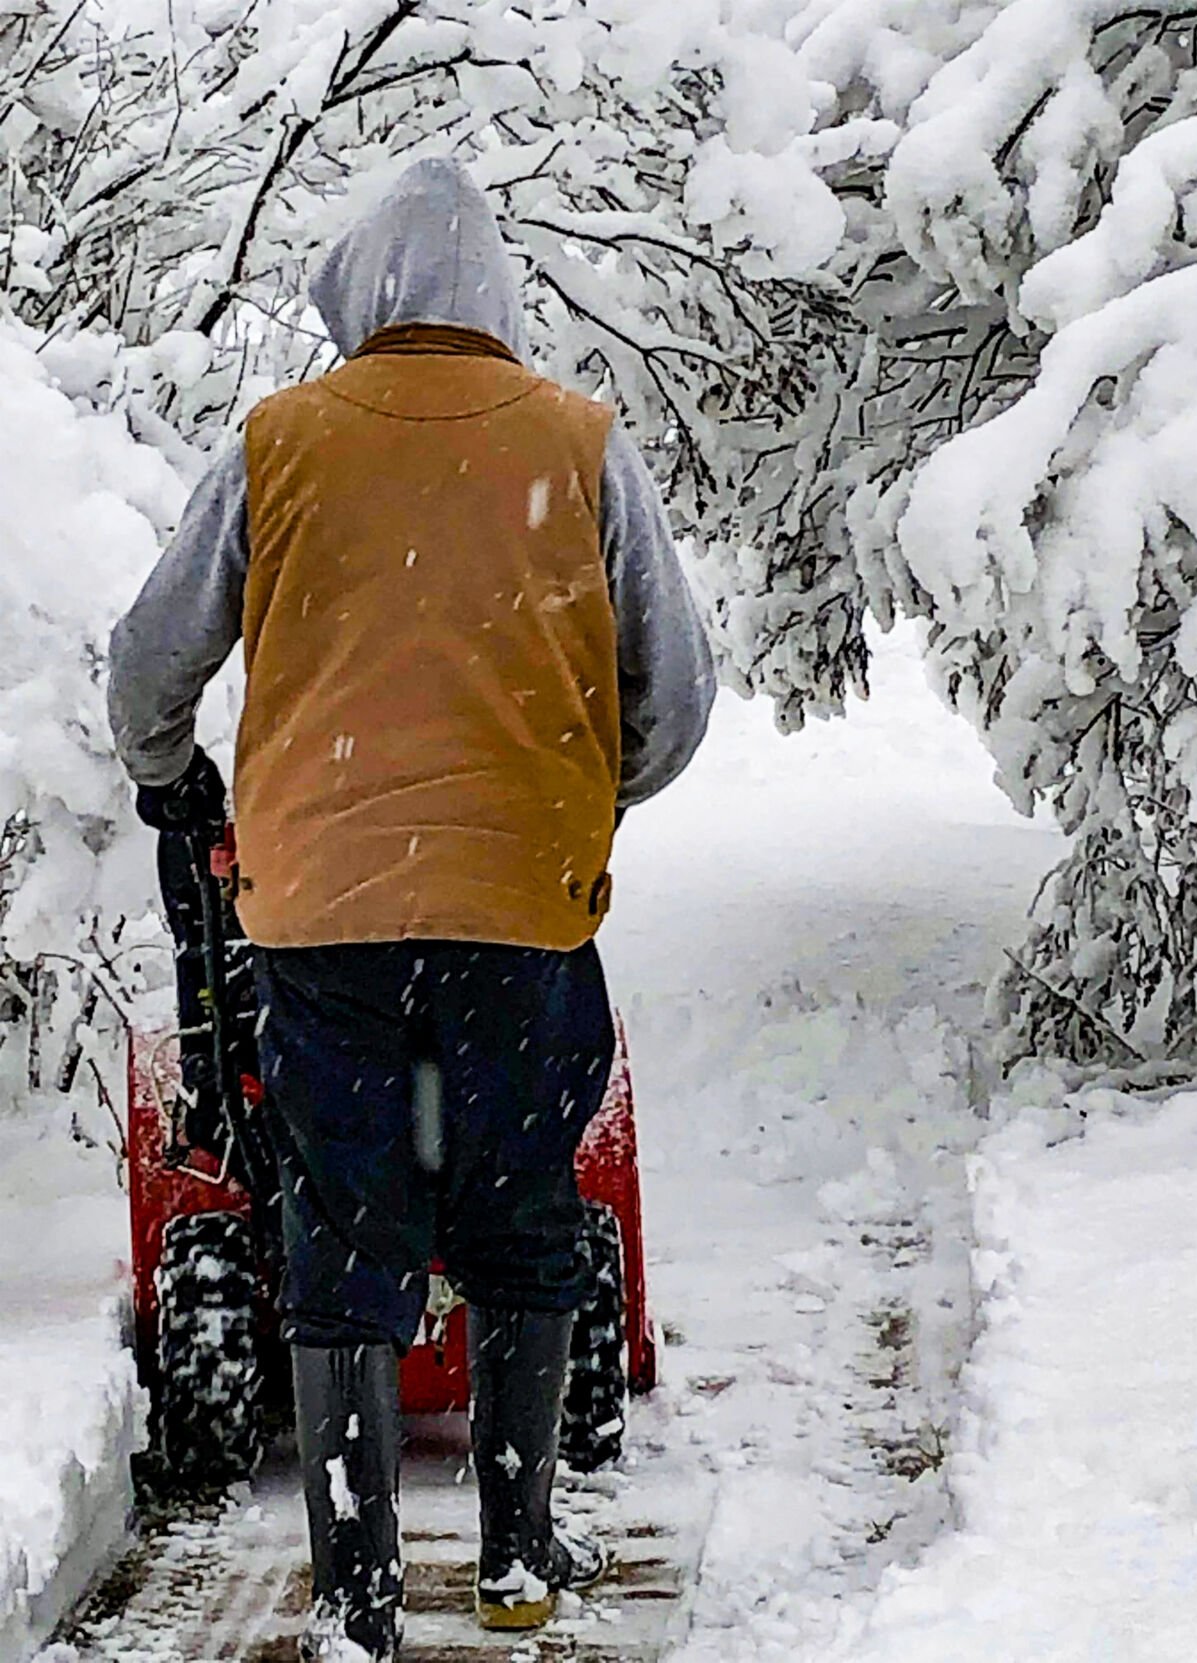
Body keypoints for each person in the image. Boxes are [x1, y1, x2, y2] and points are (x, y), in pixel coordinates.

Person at [108, 157, 714, 1662]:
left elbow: (145, 671)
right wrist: (572, 794)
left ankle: (361, 1598)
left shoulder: (279, 445)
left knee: (343, 1227)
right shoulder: (581, 446)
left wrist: (172, 773)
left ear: (365, 293)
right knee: (522, 1216)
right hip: (524, 911)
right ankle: (516, 1552)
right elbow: (680, 693)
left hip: (322, 917)